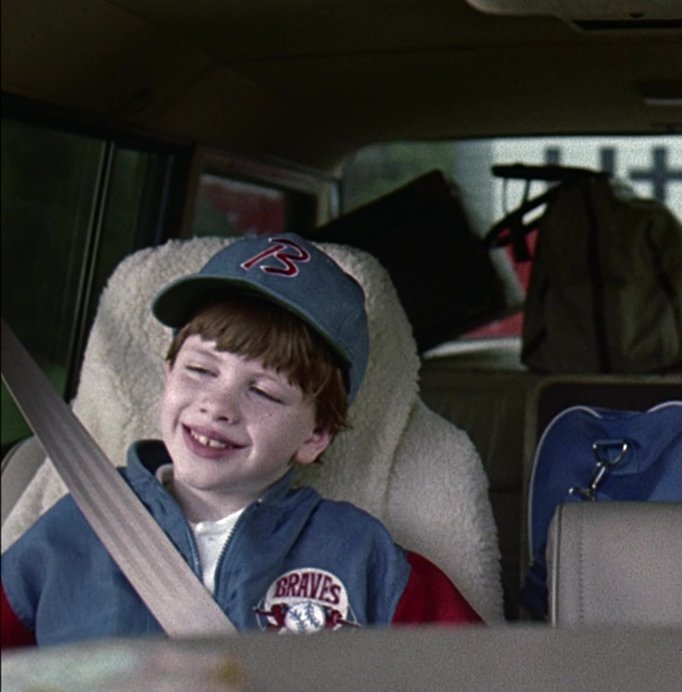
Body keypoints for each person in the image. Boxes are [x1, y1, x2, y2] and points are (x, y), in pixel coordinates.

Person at [1, 233, 481, 648]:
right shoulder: (76, 529)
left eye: (263, 391)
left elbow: (477, 672)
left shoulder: (358, 554)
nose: (218, 405)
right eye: (200, 369)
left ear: (315, 436)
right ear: (167, 376)